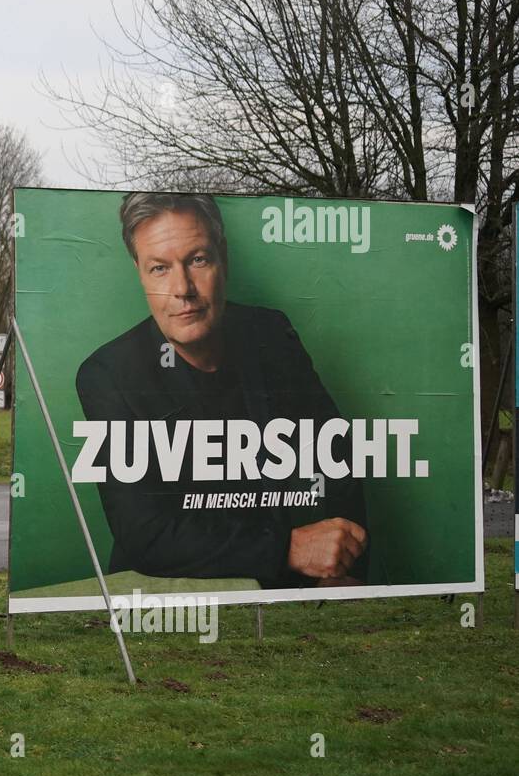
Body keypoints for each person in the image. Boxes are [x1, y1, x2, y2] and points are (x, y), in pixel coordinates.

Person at [75, 192, 368, 589]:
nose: (183, 289)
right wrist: (288, 549)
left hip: (289, 589)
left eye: (197, 260)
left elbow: (337, 459)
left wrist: (339, 560)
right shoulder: (106, 374)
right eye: (159, 268)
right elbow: (146, 533)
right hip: (169, 595)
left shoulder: (270, 334)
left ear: (223, 257)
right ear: (139, 273)